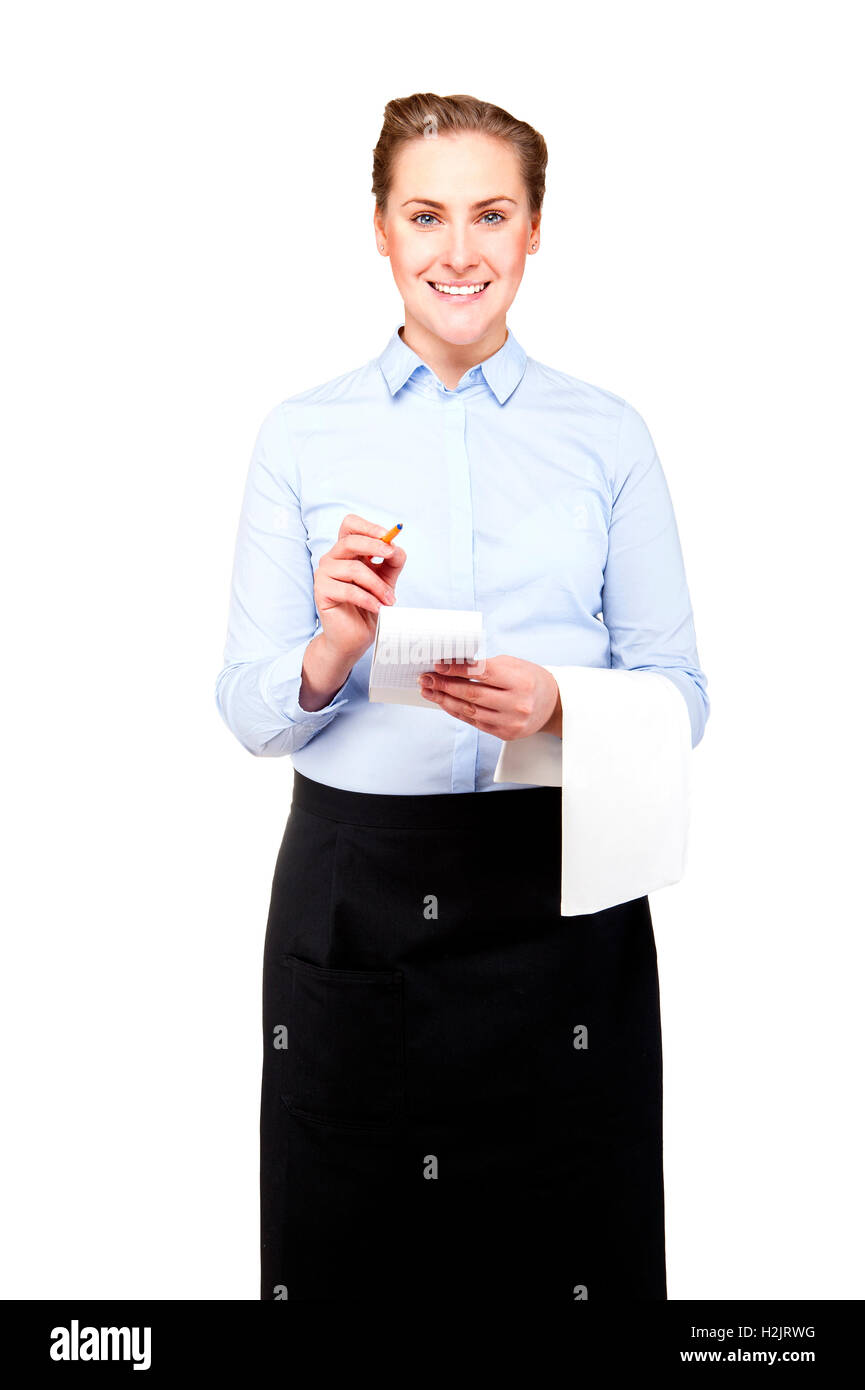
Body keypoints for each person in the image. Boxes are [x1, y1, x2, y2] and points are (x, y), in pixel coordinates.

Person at [215, 92, 710, 1302]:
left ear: (534, 229)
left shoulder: (608, 436)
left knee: (570, 1253)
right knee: (349, 1255)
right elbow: (247, 708)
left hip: (557, 896)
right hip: (357, 897)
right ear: (380, 229)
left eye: (491, 214)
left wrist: (558, 705)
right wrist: (330, 649)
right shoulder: (298, 435)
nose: (458, 251)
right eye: (425, 214)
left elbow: (681, 693)